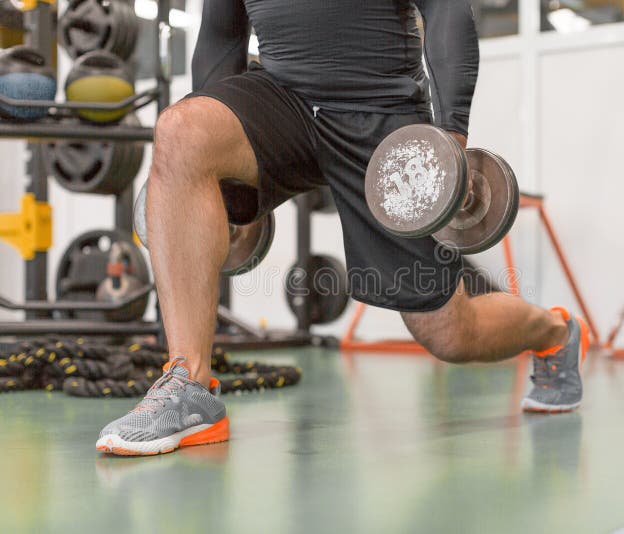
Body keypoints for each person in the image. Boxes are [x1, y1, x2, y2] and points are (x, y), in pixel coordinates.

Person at [96, 0, 590, 456]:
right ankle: (189, 387)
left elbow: (445, 10)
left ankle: (554, 333)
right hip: (282, 100)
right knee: (181, 131)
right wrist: (228, 184)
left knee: (448, 333)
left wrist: (451, 137)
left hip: (381, 113)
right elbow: (221, 37)